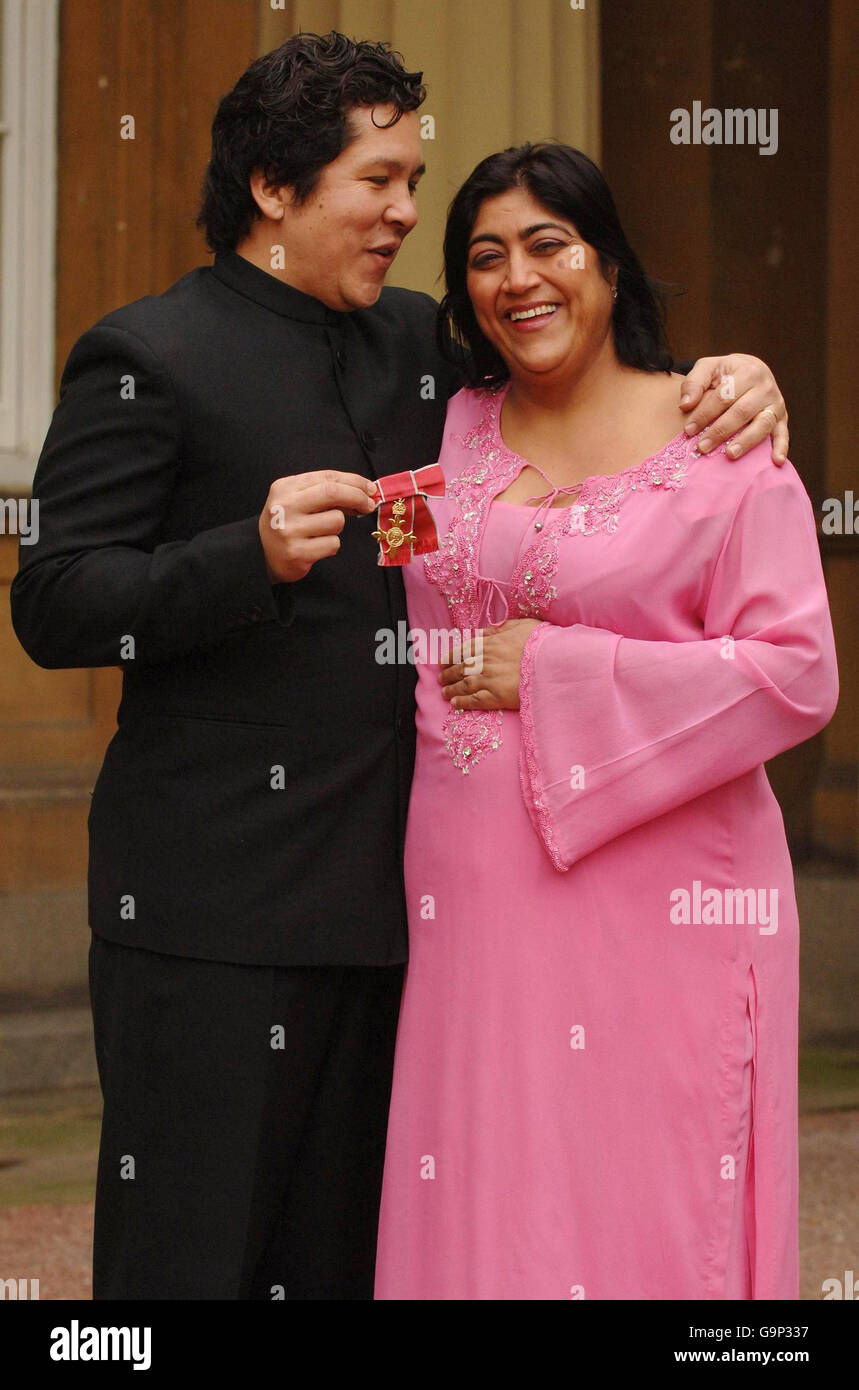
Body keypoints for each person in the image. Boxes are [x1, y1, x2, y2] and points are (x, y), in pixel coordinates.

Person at [11, 33, 790, 1301]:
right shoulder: (145, 356)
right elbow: (52, 602)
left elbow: (584, 368)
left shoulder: (422, 353)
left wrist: (735, 375)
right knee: (185, 1270)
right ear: (273, 184)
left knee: (342, 1267)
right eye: (378, 181)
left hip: (401, 922)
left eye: (415, 181)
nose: (406, 213)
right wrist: (242, 553)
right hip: (212, 917)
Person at [374, 142, 838, 1301]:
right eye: (484, 256)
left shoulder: (723, 449)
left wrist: (557, 666)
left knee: (649, 1182)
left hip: (671, 897)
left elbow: (795, 673)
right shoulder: (438, 445)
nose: (517, 277)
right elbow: (398, 625)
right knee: (486, 1183)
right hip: (471, 893)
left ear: (609, 265)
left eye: (547, 245)